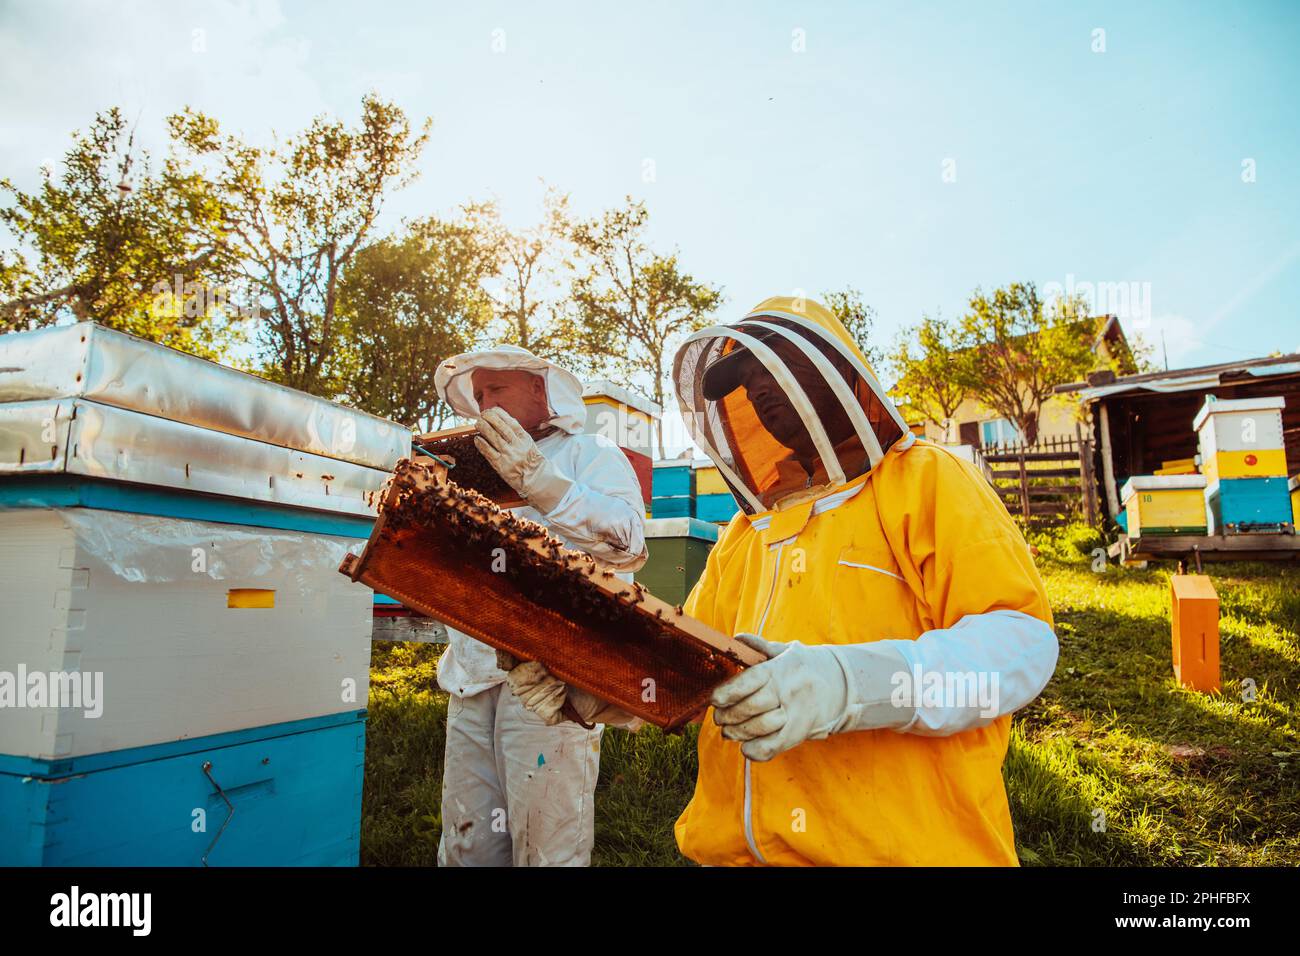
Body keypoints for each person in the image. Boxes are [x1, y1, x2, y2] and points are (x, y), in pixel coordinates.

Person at [503, 296, 1058, 866]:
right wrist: (599, 689)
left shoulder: (928, 480)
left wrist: (848, 685)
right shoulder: (745, 532)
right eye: (745, 382)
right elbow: (693, 670)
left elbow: (1020, 644)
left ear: (839, 371)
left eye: (774, 370)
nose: (757, 391)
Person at [431, 344, 647, 867]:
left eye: (497, 389)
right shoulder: (469, 469)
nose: (485, 404)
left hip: (551, 680)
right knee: (467, 843)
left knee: (547, 843)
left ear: (538, 388)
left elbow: (630, 544)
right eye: (478, 395)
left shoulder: (589, 452)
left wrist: (540, 482)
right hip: (471, 675)